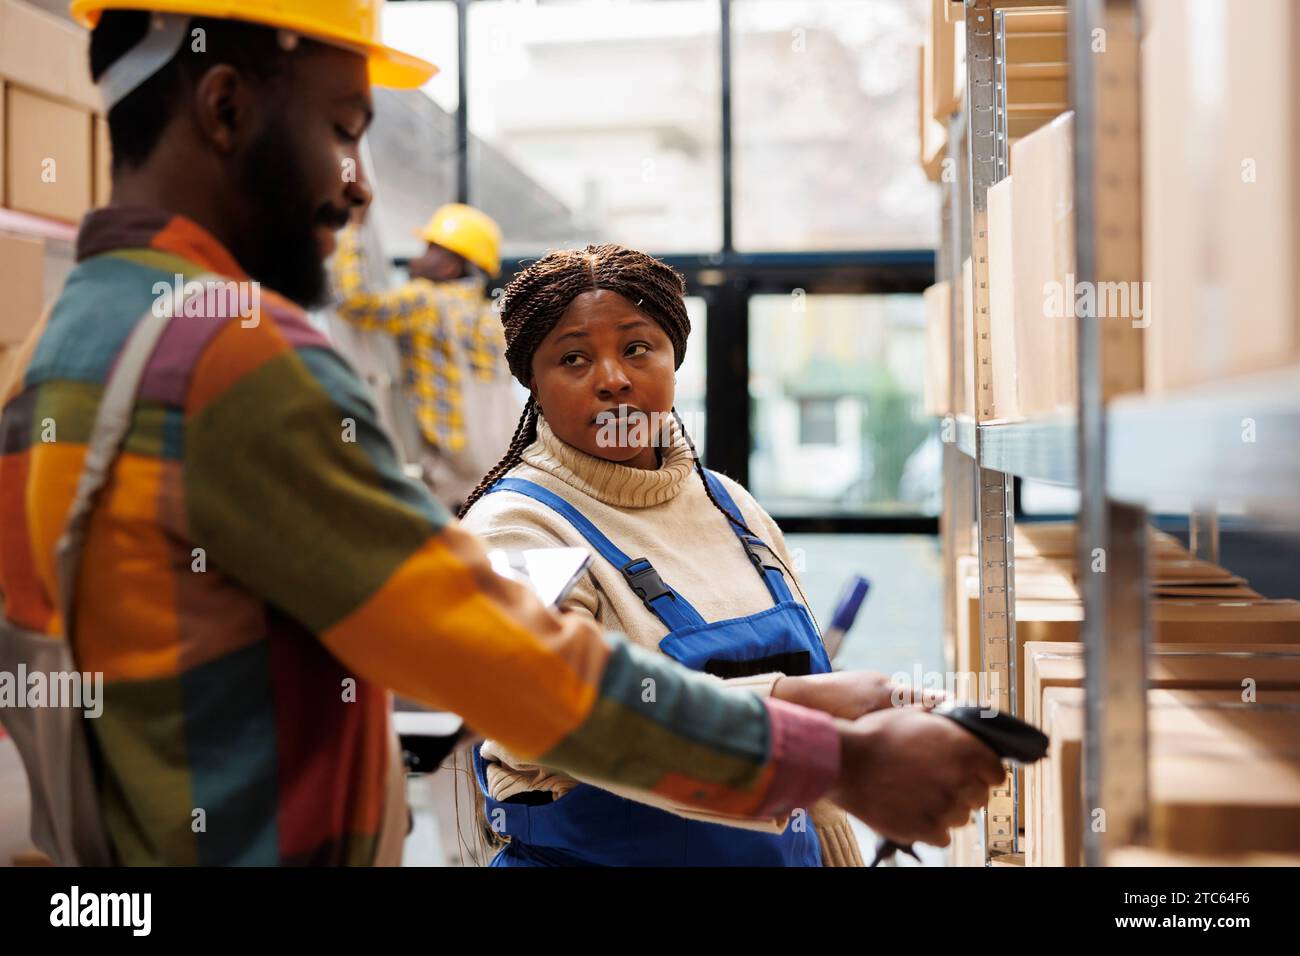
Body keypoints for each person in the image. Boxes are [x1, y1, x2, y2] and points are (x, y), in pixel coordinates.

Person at [0, 0, 1003, 866]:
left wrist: (808, 714)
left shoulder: (60, 351)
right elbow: (510, 667)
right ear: (225, 108)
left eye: (640, 348)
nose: (359, 186)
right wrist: (834, 759)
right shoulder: (230, 357)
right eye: (344, 129)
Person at [459, 246, 924, 866]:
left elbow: (817, 798)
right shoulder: (514, 529)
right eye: (573, 358)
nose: (613, 378)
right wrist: (798, 711)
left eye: (637, 348)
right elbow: (560, 720)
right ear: (533, 384)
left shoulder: (731, 506)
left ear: (674, 359)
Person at [330, 204, 519, 511]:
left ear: (449, 268)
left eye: (429, 250)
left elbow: (355, 301)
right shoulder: (490, 317)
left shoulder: (426, 301)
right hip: (495, 460)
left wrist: (351, 229)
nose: (416, 260)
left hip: (450, 470)